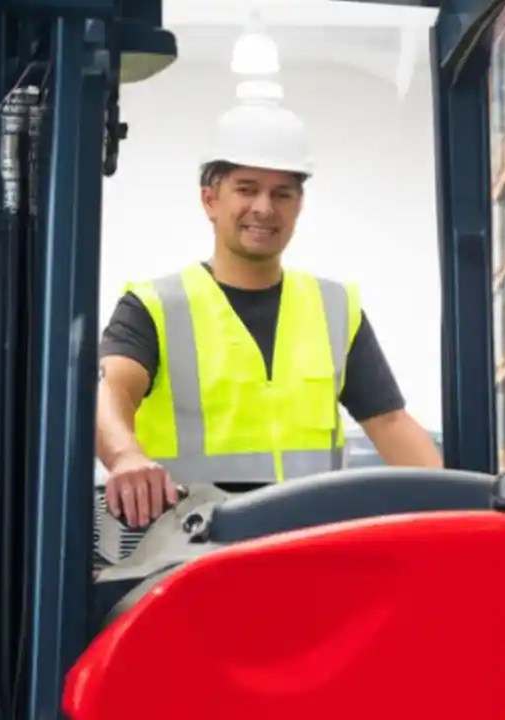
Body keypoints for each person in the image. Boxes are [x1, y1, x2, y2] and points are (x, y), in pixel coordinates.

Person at [94, 89, 443, 529]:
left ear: (299, 205)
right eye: (246, 189)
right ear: (210, 200)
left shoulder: (335, 308)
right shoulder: (155, 306)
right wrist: (125, 456)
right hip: (189, 554)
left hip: (307, 552)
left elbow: (390, 423)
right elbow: (110, 391)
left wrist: (465, 511)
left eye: (282, 194)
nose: (264, 207)